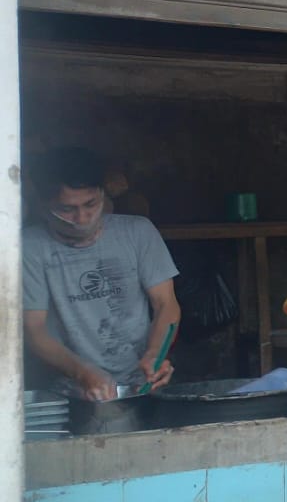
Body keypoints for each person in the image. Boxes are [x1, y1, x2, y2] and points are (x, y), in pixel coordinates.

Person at [22, 147, 180, 400]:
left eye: (90, 204)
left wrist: (155, 354)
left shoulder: (138, 233)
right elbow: (33, 330)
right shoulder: (28, 247)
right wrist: (82, 372)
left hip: (141, 385)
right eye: (66, 209)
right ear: (44, 205)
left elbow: (166, 304)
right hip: (68, 392)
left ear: (103, 194)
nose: (81, 217)